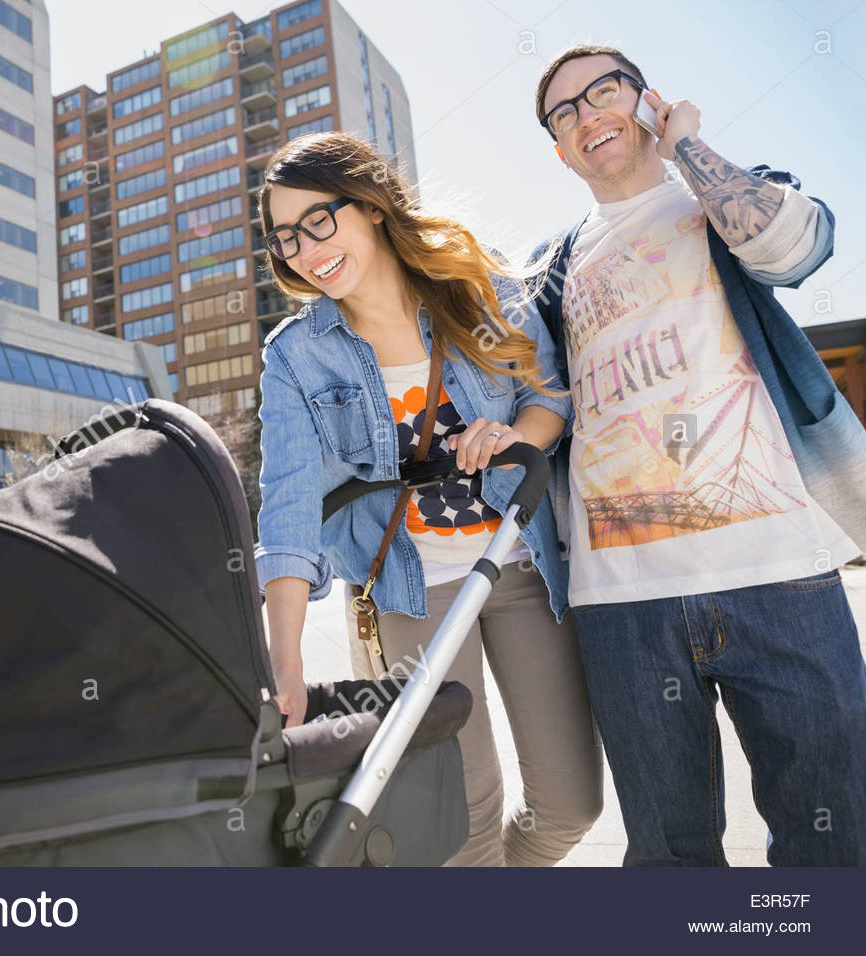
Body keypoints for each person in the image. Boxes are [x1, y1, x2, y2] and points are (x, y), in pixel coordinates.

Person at [531, 43, 866, 866]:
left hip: (777, 574)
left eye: (602, 91)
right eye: (563, 112)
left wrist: (684, 142)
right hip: (621, 602)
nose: (585, 116)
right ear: (556, 146)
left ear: (645, 100)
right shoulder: (553, 269)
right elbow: (537, 397)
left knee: (835, 838)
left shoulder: (716, 199)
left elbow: (795, 248)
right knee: (667, 858)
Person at [253, 131, 602, 867]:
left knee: (572, 803)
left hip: (520, 566)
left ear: (373, 207)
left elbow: (549, 401)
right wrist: (284, 662)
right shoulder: (295, 354)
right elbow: (288, 510)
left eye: (320, 220)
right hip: (410, 591)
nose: (306, 249)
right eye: (285, 238)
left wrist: (513, 440)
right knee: (462, 822)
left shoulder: (476, 289)